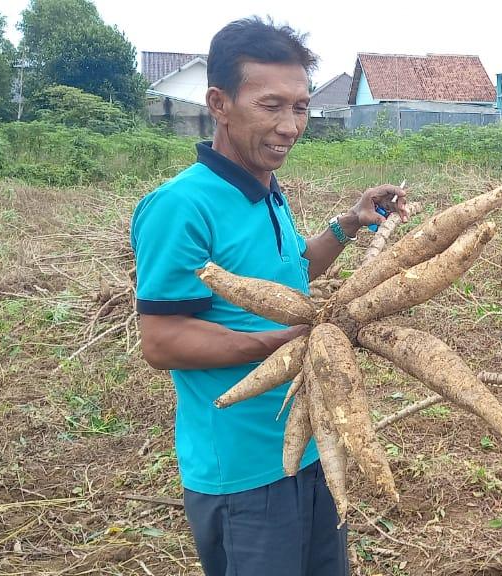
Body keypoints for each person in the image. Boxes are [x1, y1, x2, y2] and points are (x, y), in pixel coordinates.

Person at [129, 17, 407, 576]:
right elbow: (161, 338)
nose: (290, 126)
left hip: (311, 447)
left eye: (300, 107)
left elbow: (289, 278)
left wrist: (350, 223)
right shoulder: (181, 205)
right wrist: (279, 345)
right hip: (242, 472)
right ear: (219, 103)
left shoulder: (266, 188)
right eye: (271, 105)